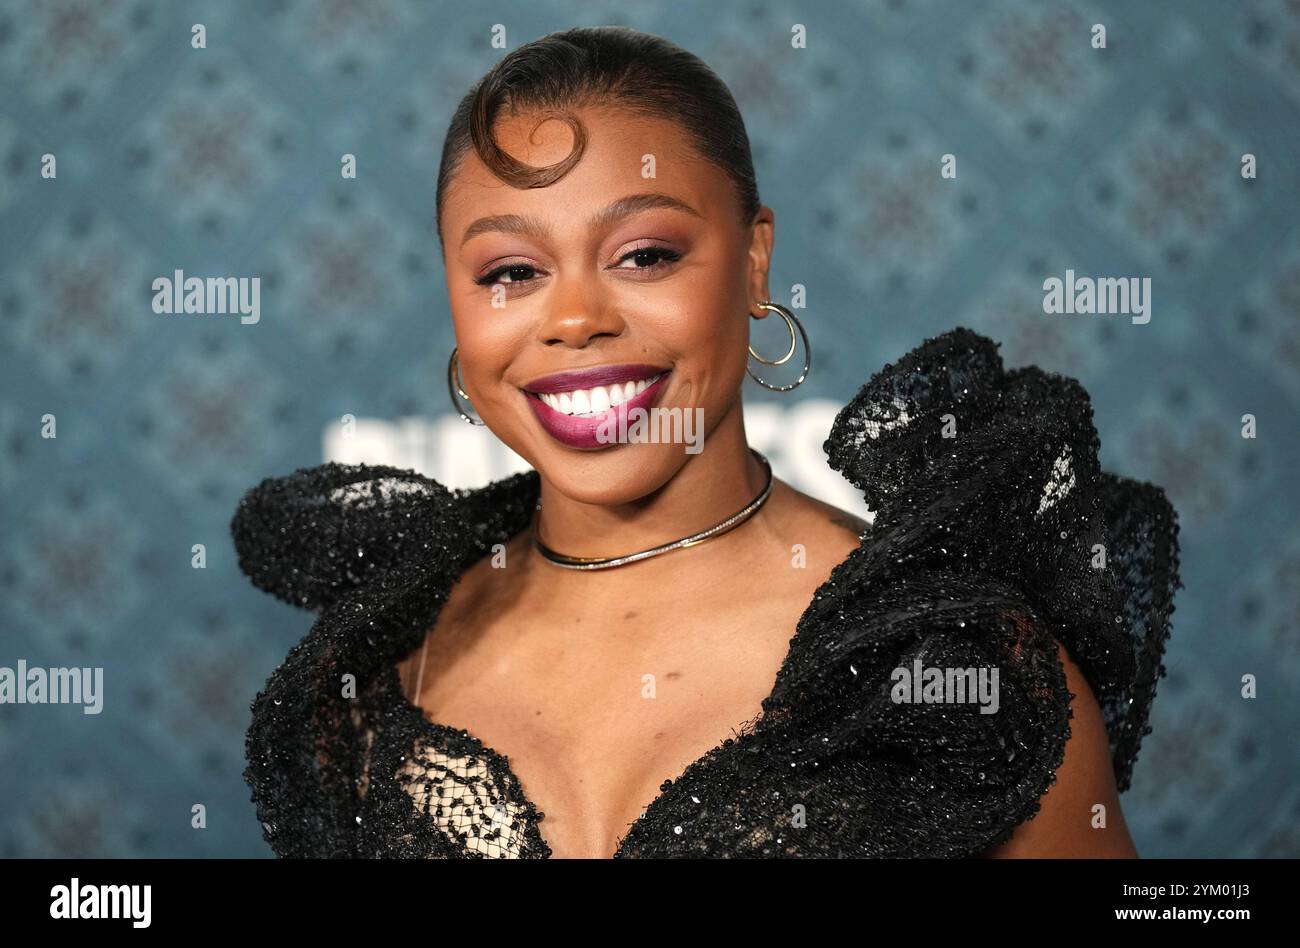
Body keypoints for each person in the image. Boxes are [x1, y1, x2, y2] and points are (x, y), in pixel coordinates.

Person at [232, 26, 1180, 859]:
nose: (573, 320)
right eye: (511, 271)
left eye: (644, 255)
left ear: (755, 258)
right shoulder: (389, 656)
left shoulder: (950, 653)